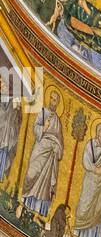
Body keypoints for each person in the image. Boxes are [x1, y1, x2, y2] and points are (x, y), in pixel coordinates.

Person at [18, 91, 64, 222]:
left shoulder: (58, 121)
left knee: (44, 184)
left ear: (58, 104)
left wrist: (56, 147)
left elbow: (60, 142)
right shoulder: (43, 112)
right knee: (31, 174)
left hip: (50, 156)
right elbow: (35, 127)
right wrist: (44, 128)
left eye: (55, 100)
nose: (53, 102)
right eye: (52, 98)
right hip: (39, 150)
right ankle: (23, 203)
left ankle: (36, 213)